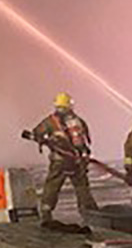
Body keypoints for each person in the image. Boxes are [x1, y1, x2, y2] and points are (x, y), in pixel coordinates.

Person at [22, 93, 98, 221]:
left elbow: (37, 133)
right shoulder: (78, 121)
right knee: (81, 187)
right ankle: (89, 212)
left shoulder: (50, 122)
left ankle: (46, 211)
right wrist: (84, 155)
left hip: (62, 161)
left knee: (53, 186)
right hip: (75, 161)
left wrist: (40, 138)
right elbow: (83, 141)